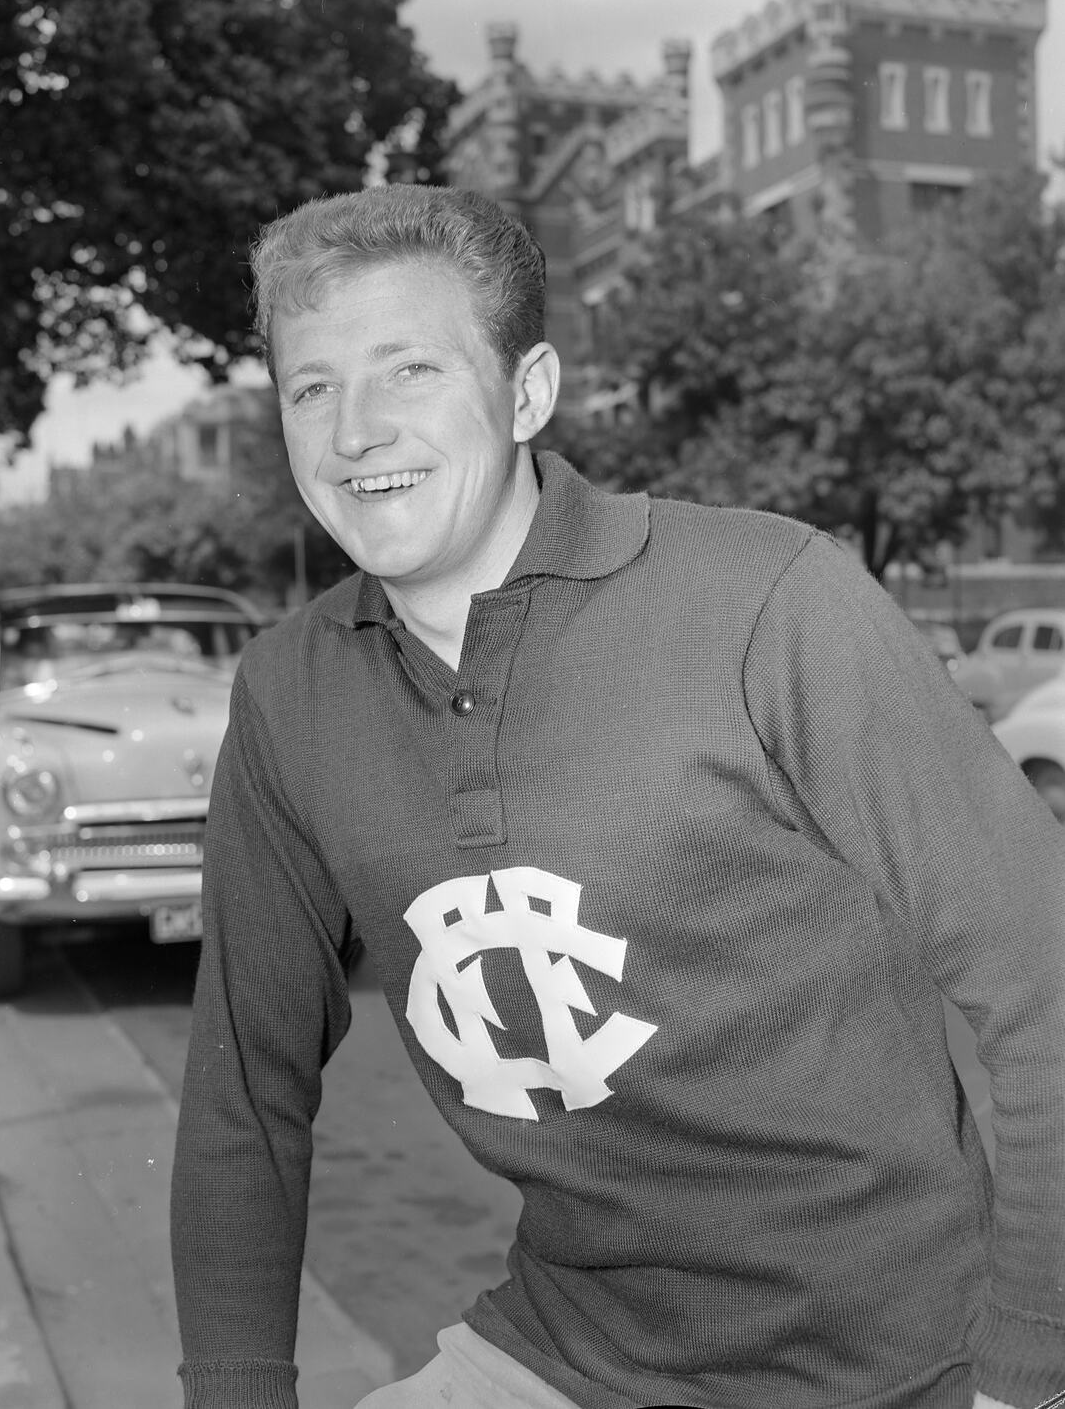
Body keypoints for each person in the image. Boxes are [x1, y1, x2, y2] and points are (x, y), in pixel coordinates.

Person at [170, 184, 1065, 1409]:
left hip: (901, 1362)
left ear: (526, 391)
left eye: (409, 372)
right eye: (310, 388)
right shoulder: (287, 696)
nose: (354, 433)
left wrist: (1025, 1370)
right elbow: (243, 1095)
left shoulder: (770, 601)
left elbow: (1046, 986)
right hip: (565, 1352)